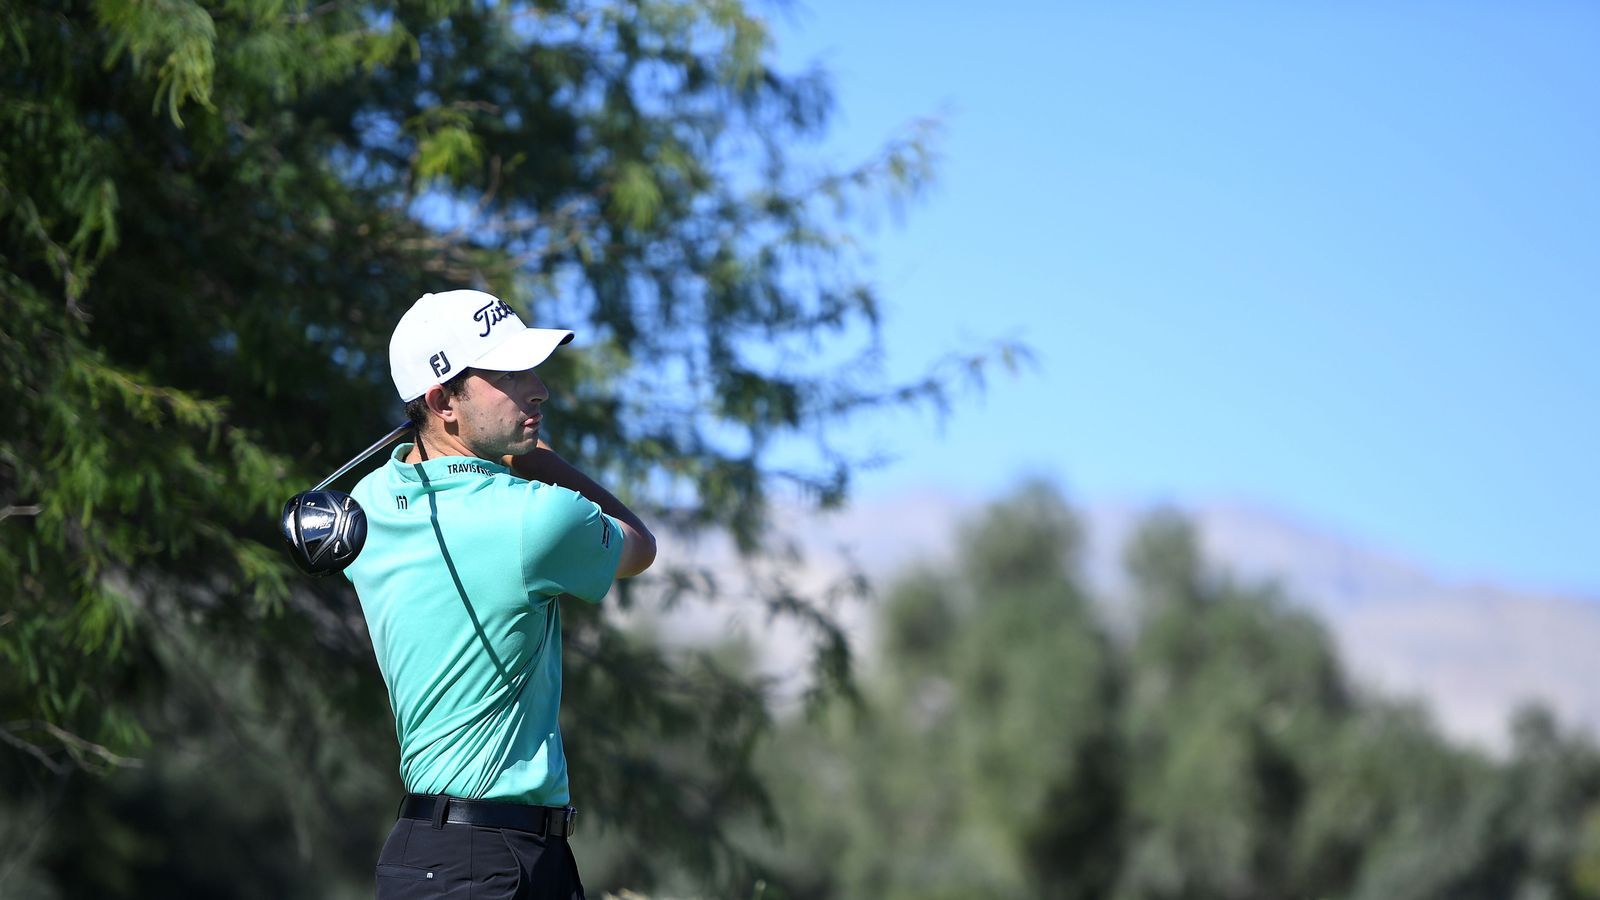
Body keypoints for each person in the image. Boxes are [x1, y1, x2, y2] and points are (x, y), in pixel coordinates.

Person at [343, 289, 656, 899]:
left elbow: (409, 469)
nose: (537, 389)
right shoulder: (535, 518)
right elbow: (639, 547)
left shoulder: (368, 503)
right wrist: (540, 460)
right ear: (442, 401)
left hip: (429, 856)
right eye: (508, 375)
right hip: (490, 862)